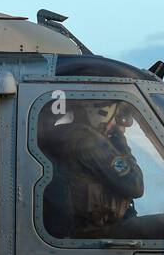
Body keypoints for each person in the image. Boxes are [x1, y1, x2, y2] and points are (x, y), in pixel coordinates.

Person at [43, 99, 146, 239]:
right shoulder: (88, 140)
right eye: (115, 117)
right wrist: (121, 144)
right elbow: (136, 185)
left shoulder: (66, 134)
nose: (116, 124)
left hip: (76, 231)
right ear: (101, 113)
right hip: (89, 233)